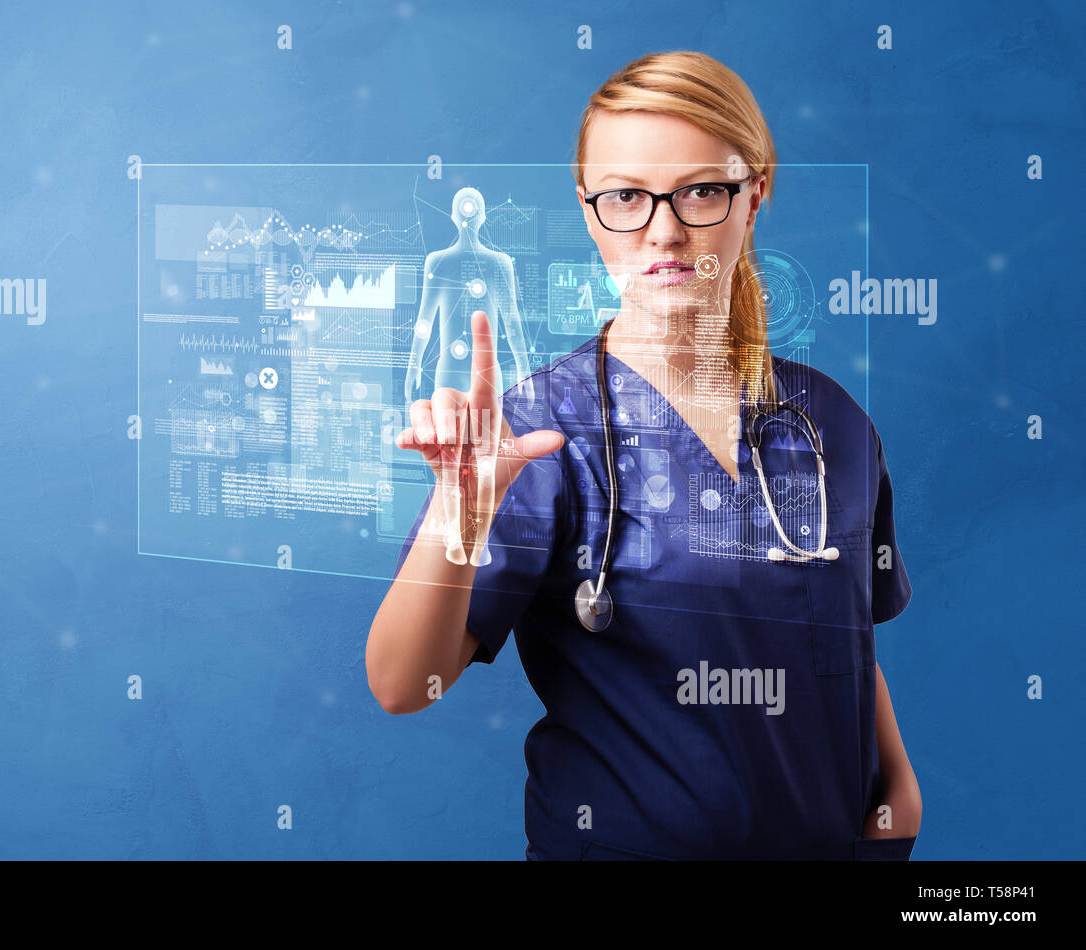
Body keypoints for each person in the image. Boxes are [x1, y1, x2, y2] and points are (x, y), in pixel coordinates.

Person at [366, 50, 921, 860]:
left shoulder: (830, 420)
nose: (664, 229)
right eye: (627, 196)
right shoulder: (538, 435)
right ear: (590, 211)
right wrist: (460, 505)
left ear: (755, 192)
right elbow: (401, 684)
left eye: (701, 190)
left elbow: (841, 640)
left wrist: (896, 798)